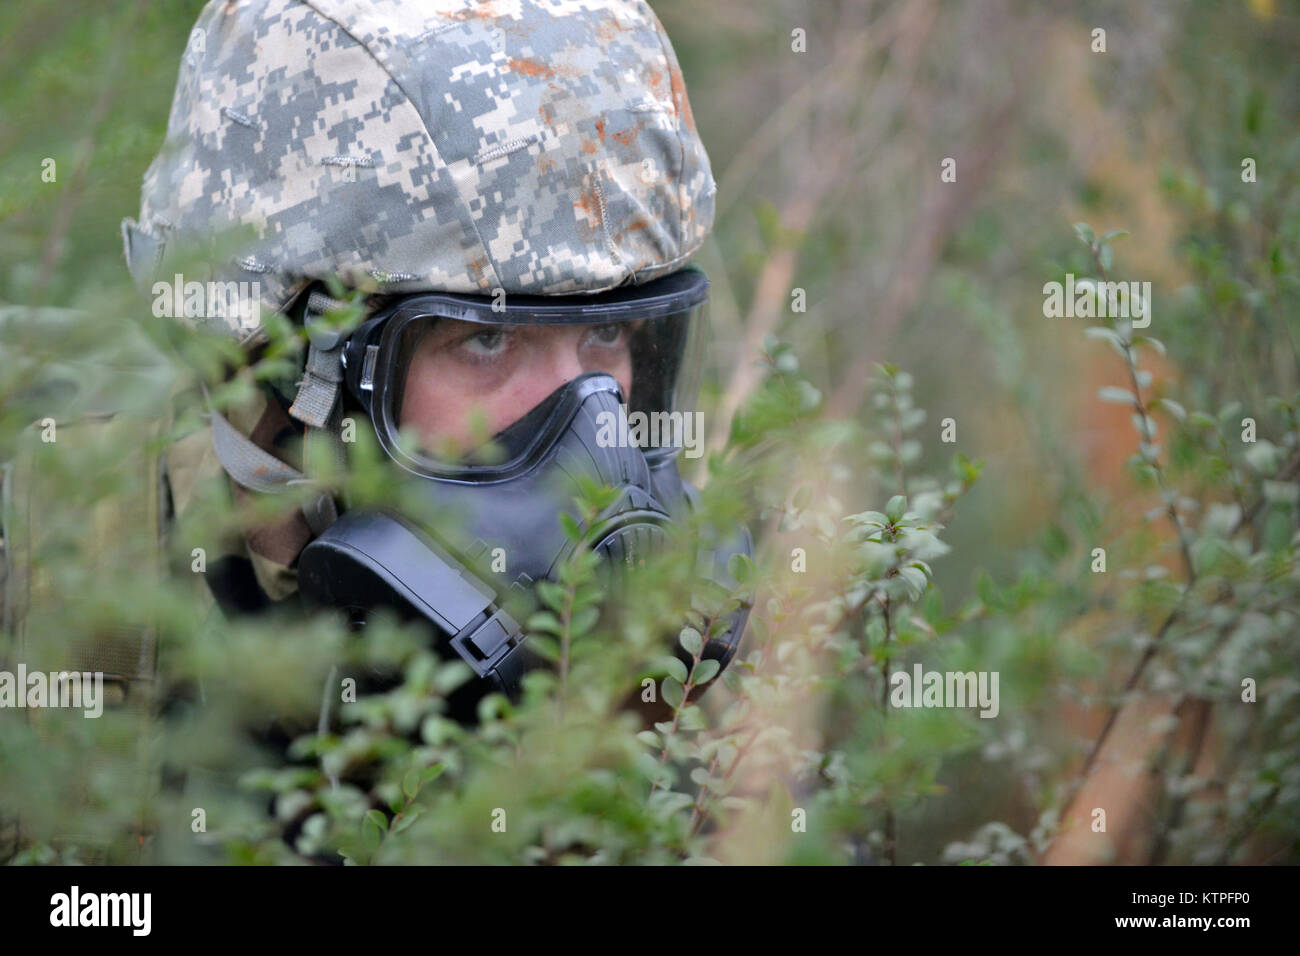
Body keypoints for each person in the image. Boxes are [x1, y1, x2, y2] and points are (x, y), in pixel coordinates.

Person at [123, 0, 751, 713]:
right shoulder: (44, 603)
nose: (597, 437)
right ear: (281, 370)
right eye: (488, 340)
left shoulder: (707, 726)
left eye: (608, 335)